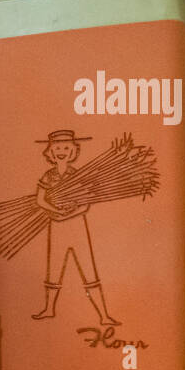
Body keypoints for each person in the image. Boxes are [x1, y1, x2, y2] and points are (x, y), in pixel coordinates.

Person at [31, 129, 119, 326]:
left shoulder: (78, 175)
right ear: (51, 152)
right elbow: (40, 200)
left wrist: (67, 214)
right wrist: (56, 210)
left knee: (88, 268)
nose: (61, 151)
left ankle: (104, 316)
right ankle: (49, 309)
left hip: (77, 226)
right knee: (54, 268)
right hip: (56, 226)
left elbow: (85, 204)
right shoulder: (48, 175)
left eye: (65, 148)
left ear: (72, 151)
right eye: (57, 148)